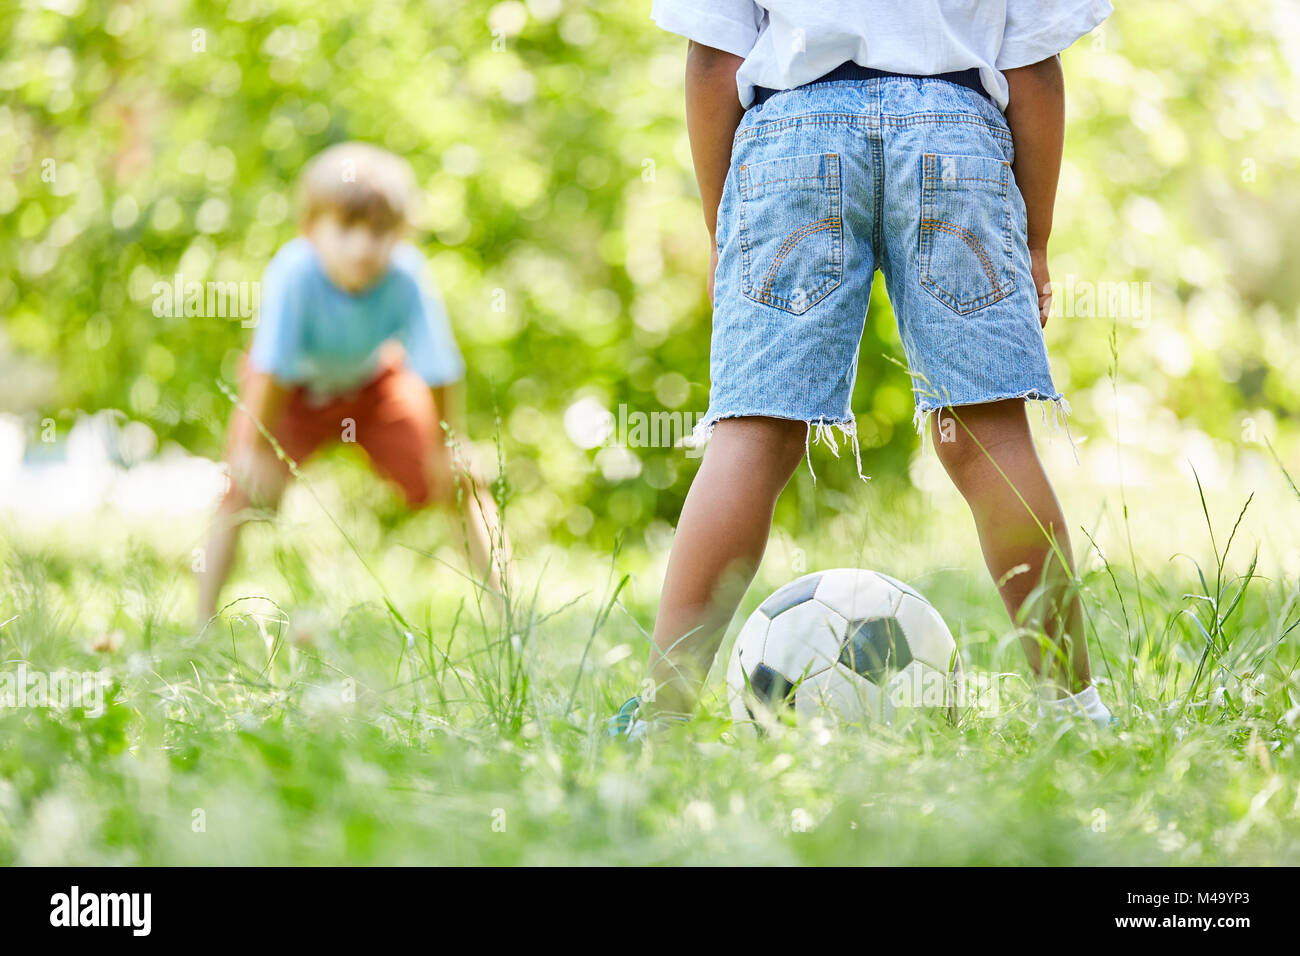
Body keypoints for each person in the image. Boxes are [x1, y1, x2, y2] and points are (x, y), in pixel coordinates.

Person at [612, 0, 1116, 736]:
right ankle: (1075, 708)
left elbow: (714, 59)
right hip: (957, 130)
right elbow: (1034, 68)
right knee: (989, 437)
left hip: (791, 132)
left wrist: (725, 220)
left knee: (752, 435)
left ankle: (660, 716)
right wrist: (1034, 237)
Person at [196, 142, 508, 629]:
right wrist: (255, 448)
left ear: (399, 235)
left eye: (380, 232)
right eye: (346, 229)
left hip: (372, 387)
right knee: (240, 486)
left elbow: (439, 368)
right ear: (311, 229)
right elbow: (271, 369)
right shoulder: (293, 273)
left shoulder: (406, 276)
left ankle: (510, 613)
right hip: (291, 392)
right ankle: (202, 621)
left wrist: (448, 445)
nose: (363, 247)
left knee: (460, 477)